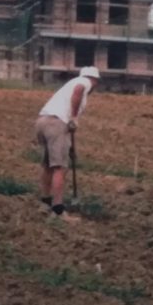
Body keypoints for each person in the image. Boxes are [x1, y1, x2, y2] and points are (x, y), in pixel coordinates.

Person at [35, 66, 100, 220]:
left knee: (48, 165)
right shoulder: (84, 83)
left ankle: (45, 203)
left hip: (43, 122)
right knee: (60, 167)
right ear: (95, 80)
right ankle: (58, 211)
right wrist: (74, 117)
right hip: (57, 123)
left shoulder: (70, 83)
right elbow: (78, 91)